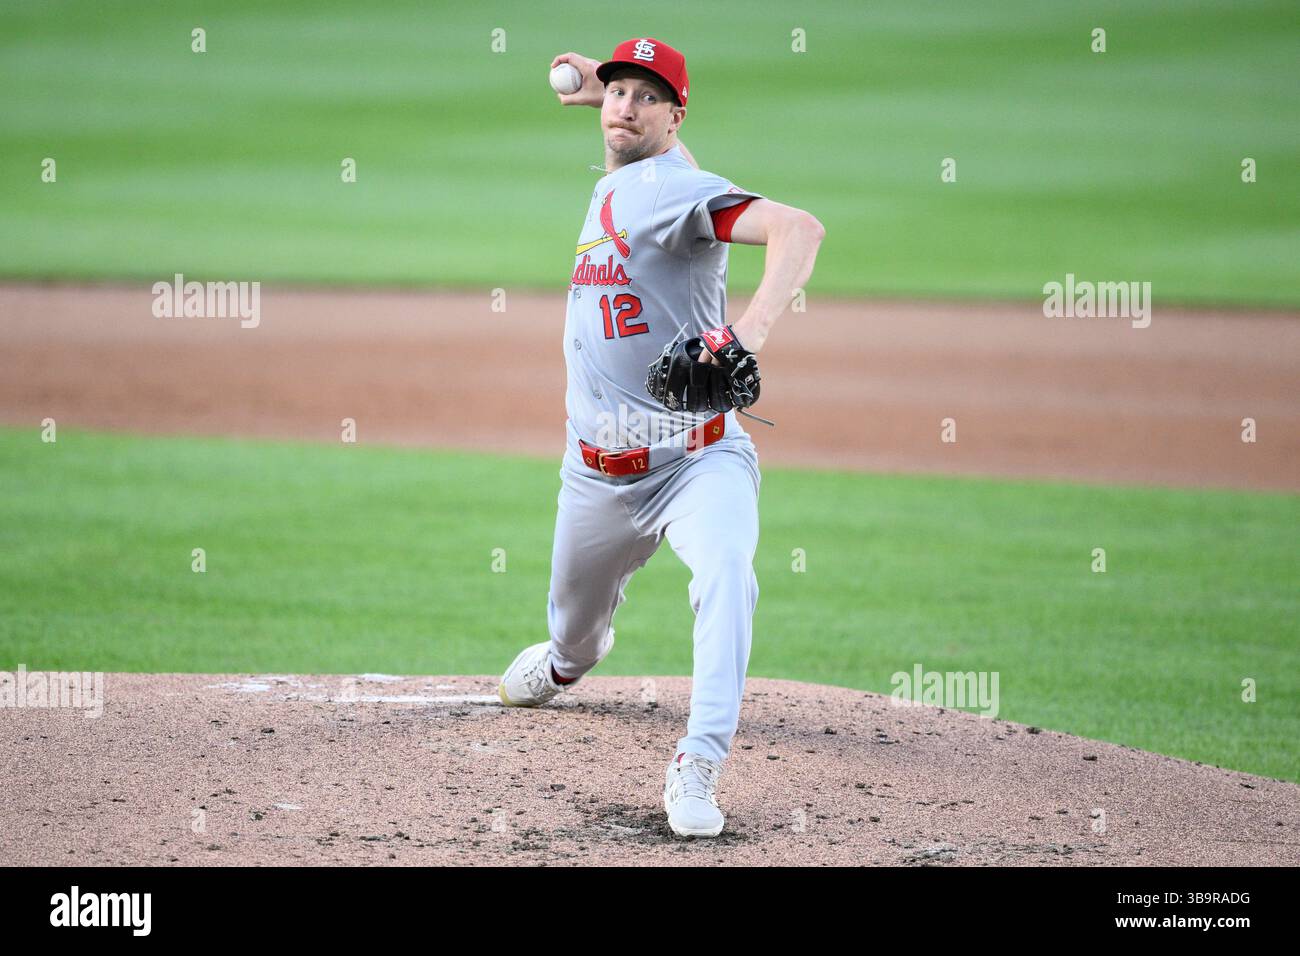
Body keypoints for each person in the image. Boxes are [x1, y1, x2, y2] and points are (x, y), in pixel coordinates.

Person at [498, 37, 825, 838]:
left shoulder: (676, 189)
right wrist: (603, 103)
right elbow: (637, 145)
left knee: (725, 571)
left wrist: (745, 334)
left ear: (677, 116)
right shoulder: (629, 176)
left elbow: (800, 229)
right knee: (574, 631)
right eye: (618, 92)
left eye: (647, 97)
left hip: (696, 458)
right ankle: (569, 661)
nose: (625, 105)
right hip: (595, 477)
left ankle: (700, 759)